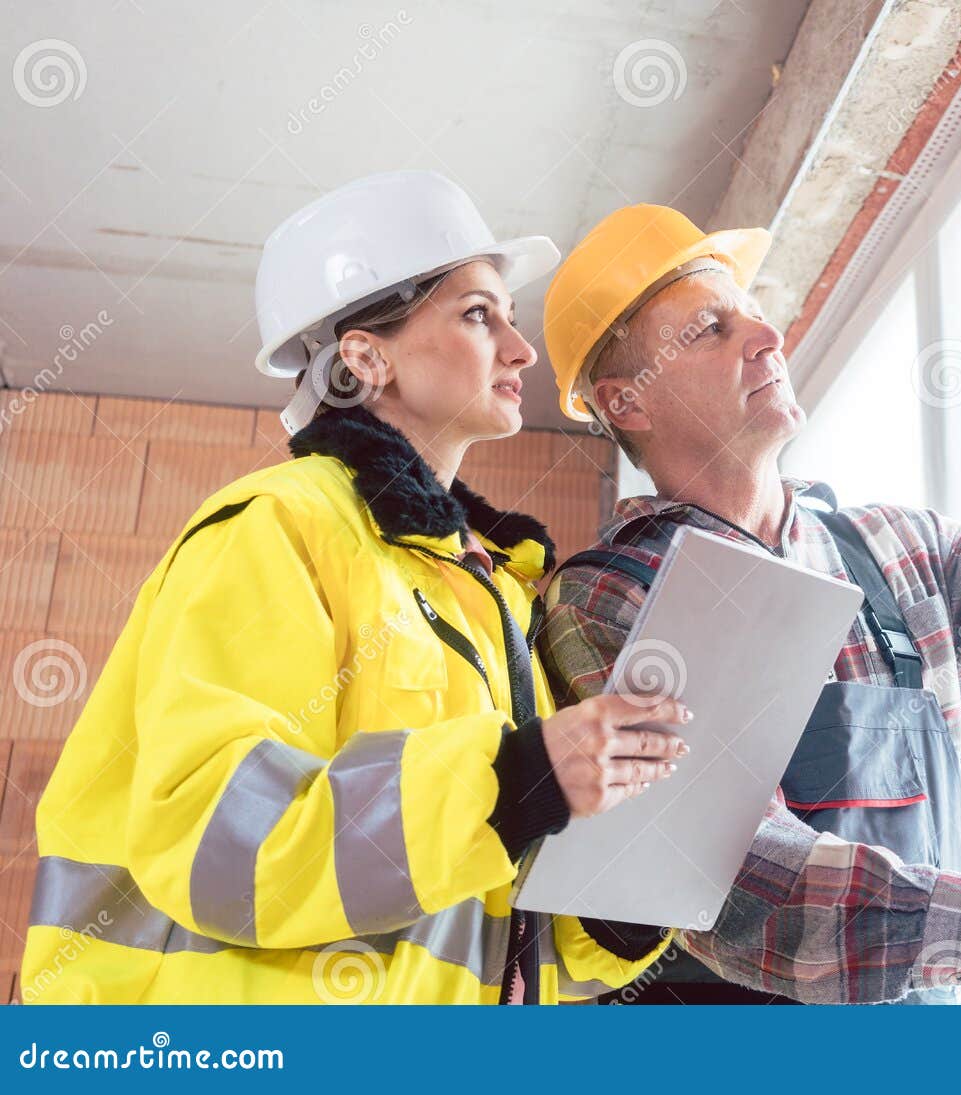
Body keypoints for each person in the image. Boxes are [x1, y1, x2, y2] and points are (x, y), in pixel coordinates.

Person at [21, 172, 688, 1005]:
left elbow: (481, 911)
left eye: (511, 320)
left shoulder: (493, 590)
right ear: (365, 357)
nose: (521, 351)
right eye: (479, 314)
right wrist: (511, 779)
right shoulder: (275, 524)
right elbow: (221, 840)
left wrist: (614, 913)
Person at [535, 204, 961, 1005]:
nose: (766, 338)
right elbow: (729, 879)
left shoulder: (894, 551)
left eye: (755, 315)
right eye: (710, 329)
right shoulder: (606, 597)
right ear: (627, 403)